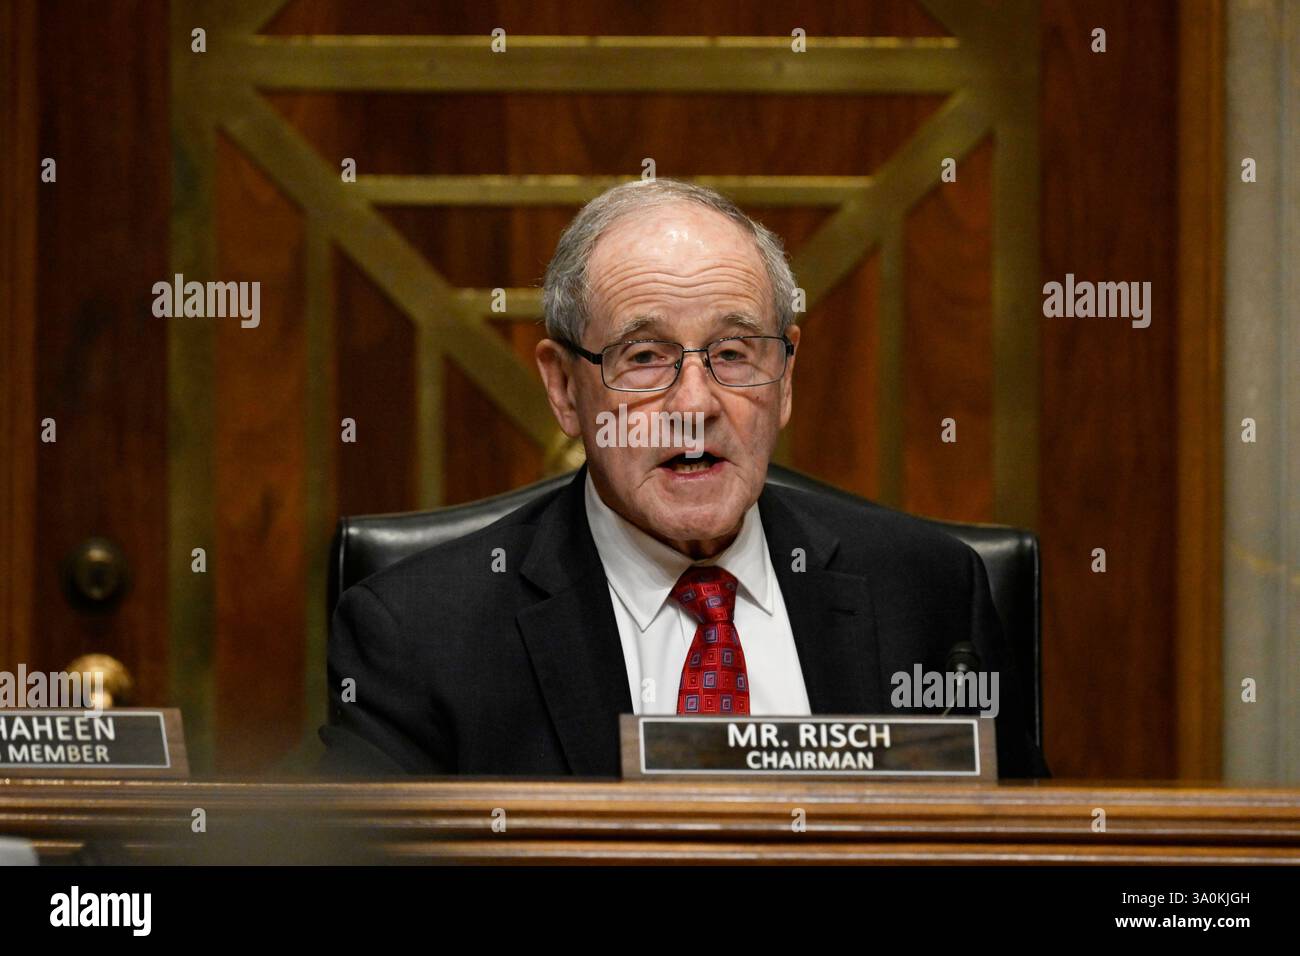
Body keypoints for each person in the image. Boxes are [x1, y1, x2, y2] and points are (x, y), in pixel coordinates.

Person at [319, 178, 1049, 778]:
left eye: (734, 353)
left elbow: (1026, 854)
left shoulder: (929, 596)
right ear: (566, 390)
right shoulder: (421, 636)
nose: (695, 404)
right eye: (643, 357)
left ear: (786, 378)